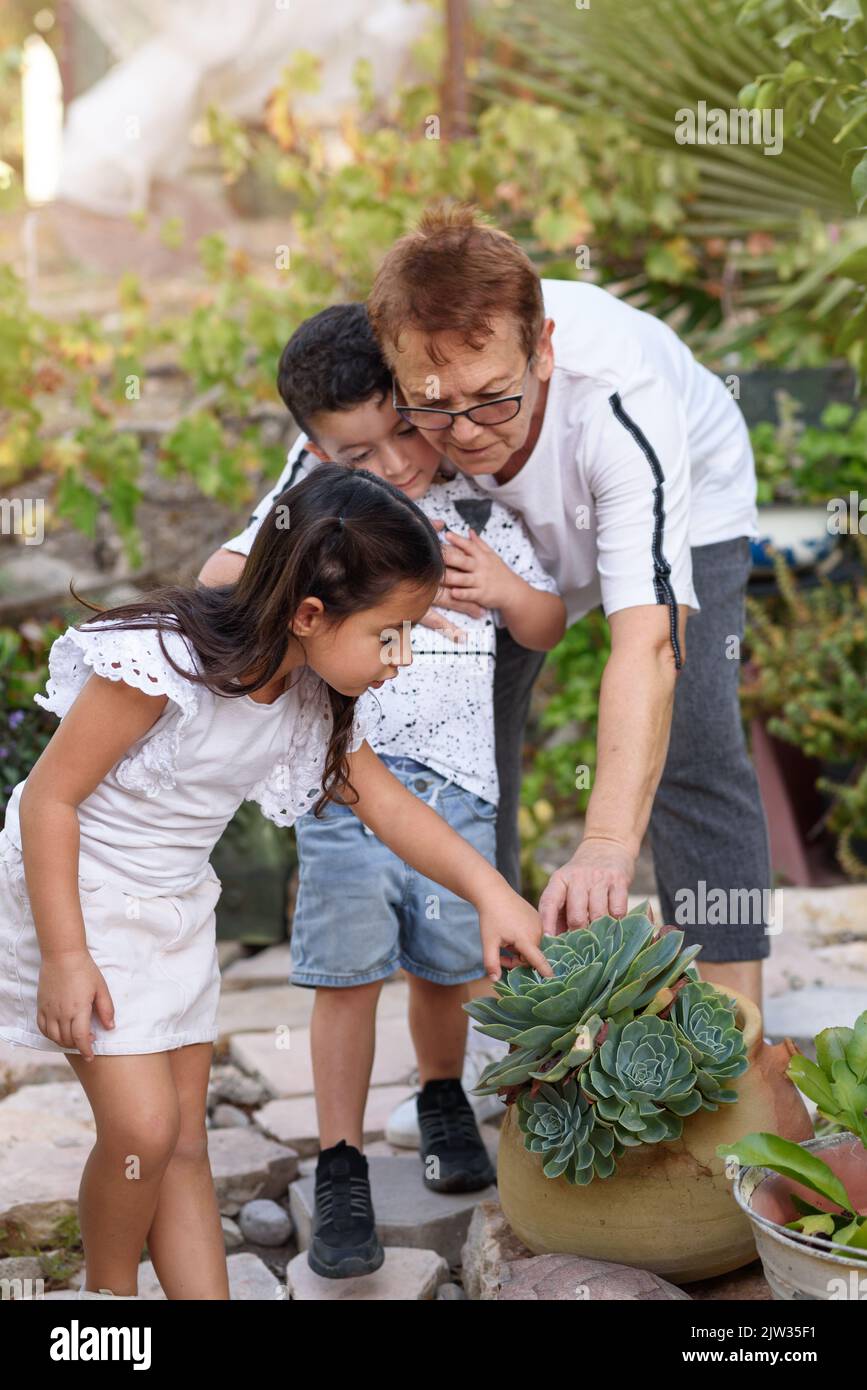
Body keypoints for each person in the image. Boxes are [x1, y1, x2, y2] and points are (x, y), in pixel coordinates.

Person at [0, 464, 548, 1300]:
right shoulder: (161, 662)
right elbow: (49, 802)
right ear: (309, 614)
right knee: (142, 1127)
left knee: (183, 1142)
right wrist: (66, 956)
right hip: (73, 893)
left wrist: (493, 892)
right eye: (391, 632)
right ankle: (104, 1306)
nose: (401, 658)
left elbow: (390, 808)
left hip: (173, 903)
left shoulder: (306, 696)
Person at [200, 306, 566, 1278]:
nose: (399, 462)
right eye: (361, 449)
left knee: (449, 962)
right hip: (344, 787)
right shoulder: (323, 512)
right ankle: (341, 1157)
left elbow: (550, 621)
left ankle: (442, 1094)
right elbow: (221, 572)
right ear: (316, 448)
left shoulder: (475, 507)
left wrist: (498, 589)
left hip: (460, 785)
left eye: (405, 430)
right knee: (345, 971)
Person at [365, 205, 772, 1010]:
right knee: (462, 738)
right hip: (499, 543)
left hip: (682, 509)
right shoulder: (385, 390)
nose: (467, 433)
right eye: (432, 405)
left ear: (542, 351)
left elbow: (647, 647)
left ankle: (736, 1028)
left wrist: (605, 846)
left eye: (492, 399)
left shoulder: (619, 399)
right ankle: (516, 1011)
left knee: (691, 739)